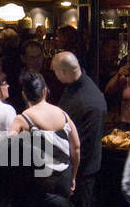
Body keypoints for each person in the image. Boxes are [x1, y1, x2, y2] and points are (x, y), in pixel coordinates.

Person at [52, 52, 106, 207]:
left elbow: (85, 145)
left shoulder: (88, 100)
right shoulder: (77, 89)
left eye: (56, 72)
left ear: (65, 72)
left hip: (82, 168)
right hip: (76, 164)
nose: (54, 76)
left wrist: (73, 173)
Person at [10, 70, 80, 199]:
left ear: (24, 95)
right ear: (45, 91)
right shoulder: (63, 115)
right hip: (63, 178)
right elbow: (76, 147)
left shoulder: (22, 119)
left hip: (38, 181)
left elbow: (8, 150)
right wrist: (73, 177)